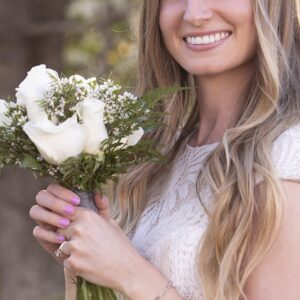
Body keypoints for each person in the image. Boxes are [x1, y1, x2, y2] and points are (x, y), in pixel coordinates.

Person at [29, 0, 300, 299]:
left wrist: (130, 272)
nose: (195, 14)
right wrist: (83, 262)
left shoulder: (286, 162)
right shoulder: (160, 159)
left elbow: (134, 277)